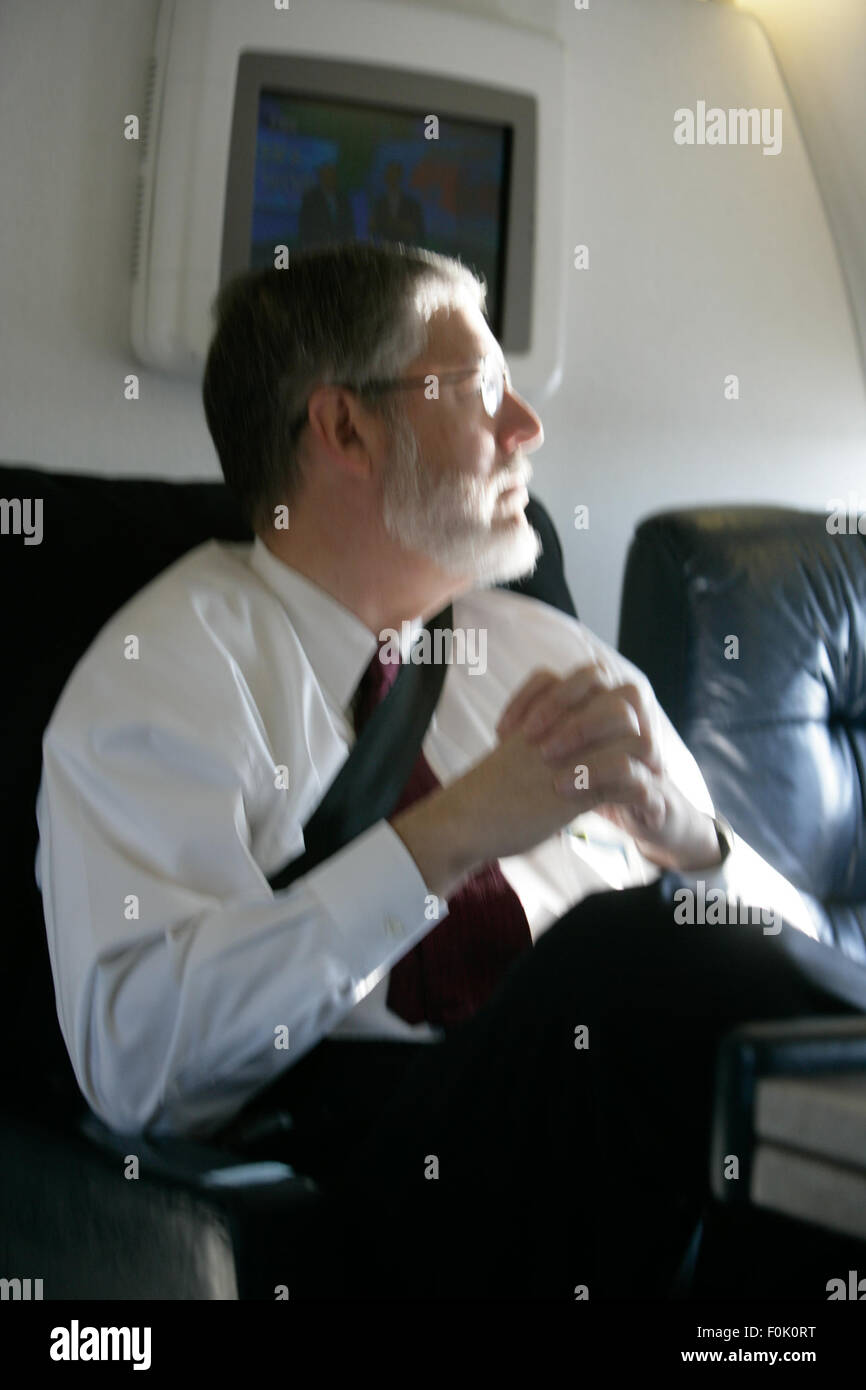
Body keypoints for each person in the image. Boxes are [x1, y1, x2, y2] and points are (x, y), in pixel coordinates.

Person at [34, 243, 865, 1300]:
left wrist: (693, 844)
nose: (528, 428)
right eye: (480, 392)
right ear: (344, 427)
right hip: (357, 1185)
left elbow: (805, 988)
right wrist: (449, 836)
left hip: (658, 1177)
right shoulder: (168, 671)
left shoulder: (560, 659)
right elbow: (135, 1065)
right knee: (631, 951)